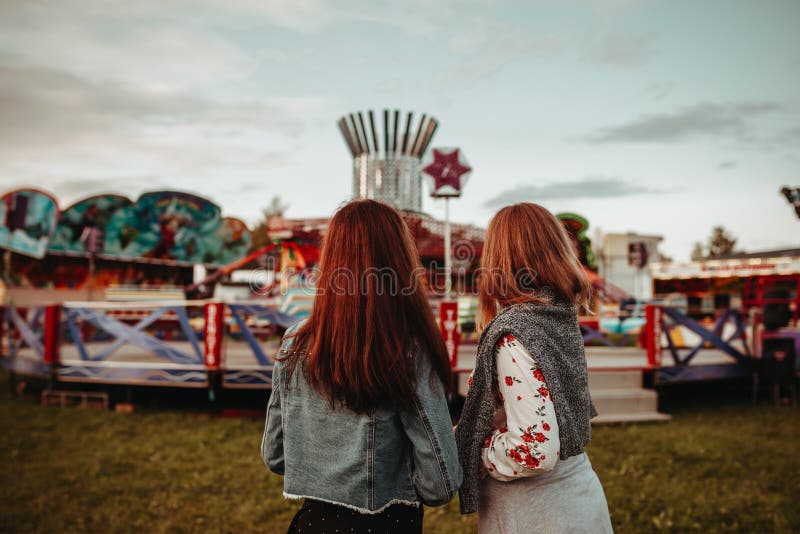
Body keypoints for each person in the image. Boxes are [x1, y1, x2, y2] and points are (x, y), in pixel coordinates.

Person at [262, 199, 462, 533]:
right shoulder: (406, 348)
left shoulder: (296, 341)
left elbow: (276, 455)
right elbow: (438, 485)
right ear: (399, 262)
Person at [455, 202, 612, 533]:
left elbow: (534, 450)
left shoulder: (514, 333)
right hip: (577, 493)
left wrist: (478, 448)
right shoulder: (557, 316)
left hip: (535, 512)